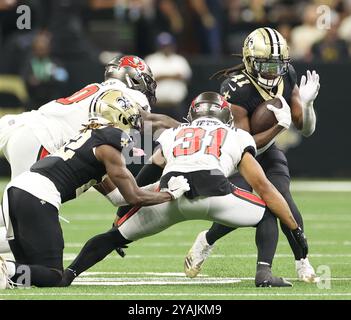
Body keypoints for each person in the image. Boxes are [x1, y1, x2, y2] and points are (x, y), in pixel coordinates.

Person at [59, 92, 308, 288]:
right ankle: (263, 272)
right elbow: (263, 187)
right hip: (214, 193)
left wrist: (124, 213)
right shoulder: (236, 135)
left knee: (114, 237)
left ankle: (69, 273)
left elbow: (151, 169)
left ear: (192, 115)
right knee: (266, 213)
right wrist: (295, 231)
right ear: (226, 117)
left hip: (170, 195)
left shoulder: (174, 132)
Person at [0, 89, 190, 289]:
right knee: (54, 277)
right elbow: (133, 196)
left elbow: (118, 197)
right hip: (38, 196)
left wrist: (159, 187)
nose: (136, 126)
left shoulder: (90, 137)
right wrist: (168, 194)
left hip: (16, 191)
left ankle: (7, 271)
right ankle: (4, 268)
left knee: (28, 273)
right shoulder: (110, 142)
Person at [0, 55, 178, 255]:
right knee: (25, 233)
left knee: (13, 215)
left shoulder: (98, 108)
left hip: (18, 126)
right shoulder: (126, 96)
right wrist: (188, 130)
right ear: (133, 78)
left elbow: (120, 197)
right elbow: (153, 122)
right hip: (42, 138)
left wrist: (159, 188)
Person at [184, 27, 320, 283]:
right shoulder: (236, 89)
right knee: (243, 208)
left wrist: (308, 105)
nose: (273, 72)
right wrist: (279, 126)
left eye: (277, 65)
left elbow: (306, 129)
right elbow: (244, 145)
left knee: (282, 199)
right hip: (237, 155)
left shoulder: (287, 74)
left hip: (267, 151)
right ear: (249, 61)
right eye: (266, 65)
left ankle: (302, 261)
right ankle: (207, 239)